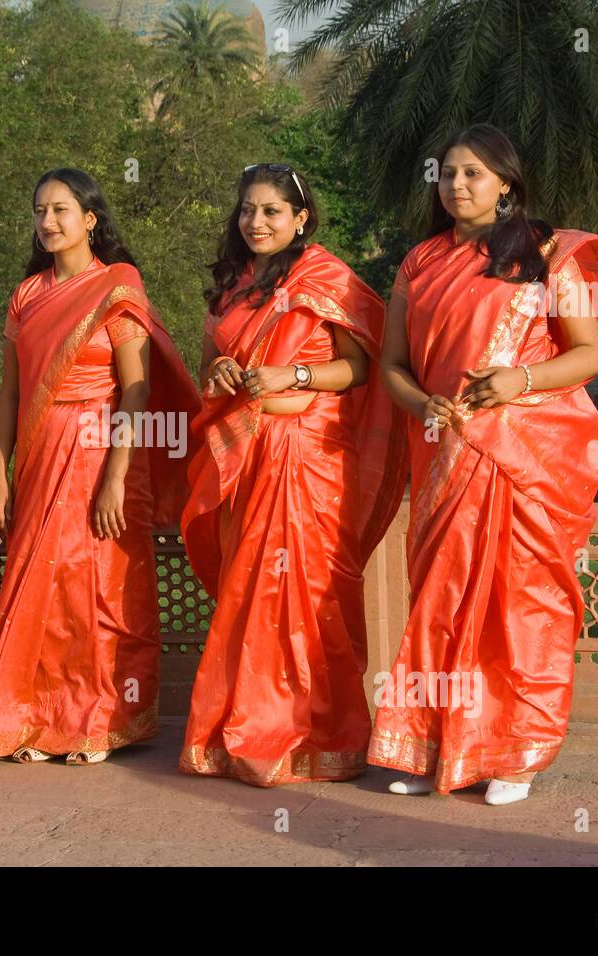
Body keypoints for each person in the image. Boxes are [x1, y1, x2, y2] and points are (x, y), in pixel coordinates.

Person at [369, 124, 598, 805]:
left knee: (518, 606)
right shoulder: (419, 262)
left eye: (474, 174)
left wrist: (519, 379)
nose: (457, 185)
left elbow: (589, 353)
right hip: (443, 453)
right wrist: (423, 402)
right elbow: (392, 366)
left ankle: (515, 754)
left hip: (521, 458)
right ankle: (434, 748)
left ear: (506, 183)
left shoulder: (544, 253)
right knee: (441, 603)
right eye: (448, 173)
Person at [0, 168, 200, 764]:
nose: (48, 221)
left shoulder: (118, 285)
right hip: (42, 453)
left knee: (99, 588)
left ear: (90, 219)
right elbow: (11, 394)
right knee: (42, 585)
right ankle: (38, 721)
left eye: (61, 210)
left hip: (103, 449)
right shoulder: (26, 296)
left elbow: (137, 390)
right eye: (40, 210)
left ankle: (101, 722)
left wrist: (116, 477)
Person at [178, 163, 407, 787]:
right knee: (249, 596)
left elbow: (357, 370)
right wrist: (221, 373)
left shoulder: (325, 278)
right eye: (248, 210)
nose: (256, 222)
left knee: (310, 595)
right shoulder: (230, 289)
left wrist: (294, 374)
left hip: (310, 457)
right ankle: (246, 732)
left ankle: (318, 738)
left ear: (300, 219)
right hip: (246, 457)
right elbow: (209, 368)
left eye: (272, 211)